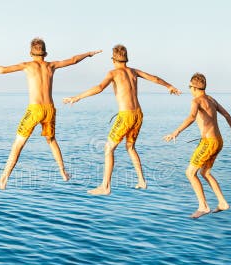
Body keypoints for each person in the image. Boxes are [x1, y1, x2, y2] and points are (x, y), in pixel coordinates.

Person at [0, 37, 101, 189]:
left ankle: (3, 180)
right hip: (49, 109)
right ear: (45, 53)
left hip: (35, 109)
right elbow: (73, 60)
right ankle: (63, 173)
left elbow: (3, 70)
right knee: (51, 140)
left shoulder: (27, 65)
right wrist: (89, 53)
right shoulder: (51, 65)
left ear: (31, 53)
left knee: (17, 145)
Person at [63, 44, 181, 195]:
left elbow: (99, 88)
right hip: (138, 114)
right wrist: (169, 86)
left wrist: (77, 97)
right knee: (130, 147)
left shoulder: (113, 73)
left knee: (108, 148)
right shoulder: (134, 71)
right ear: (126, 59)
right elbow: (155, 78)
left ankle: (105, 187)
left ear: (113, 59)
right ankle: (141, 180)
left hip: (125, 116)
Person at [164, 73, 231, 218]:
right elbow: (227, 115)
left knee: (190, 173)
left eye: (189, 87)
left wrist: (176, 132)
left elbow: (192, 117)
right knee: (205, 173)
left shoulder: (196, 101)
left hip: (208, 142)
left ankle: (203, 206)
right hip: (218, 141)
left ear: (193, 87)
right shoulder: (212, 100)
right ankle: (222, 202)